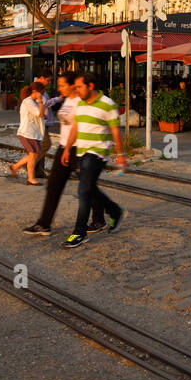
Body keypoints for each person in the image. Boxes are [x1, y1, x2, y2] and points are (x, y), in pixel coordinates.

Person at [60, 72, 126, 249]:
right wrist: (67, 149)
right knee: (89, 189)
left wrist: (121, 154)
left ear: (90, 86)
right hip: (81, 152)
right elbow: (75, 127)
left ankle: (79, 232)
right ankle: (115, 211)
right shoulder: (81, 103)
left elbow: (115, 131)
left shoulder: (108, 105)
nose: (77, 90)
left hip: (97, 153)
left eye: (79, 87)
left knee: (83, 191)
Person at [22, 72, 93, 236]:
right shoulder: (67, 99)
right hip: (65, 147)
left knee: (88, 188)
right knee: (53, 186)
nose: (59, 88)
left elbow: (78, 126)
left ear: (72, 85)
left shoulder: (80, 101)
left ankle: (103, 216)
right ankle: (44, 224)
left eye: (62, 85)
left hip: (78, 149)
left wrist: (69, 148)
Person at [8, 84, 45, 185]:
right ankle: (30, 178)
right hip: (27, 132)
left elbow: (39, 114)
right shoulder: (28, 101)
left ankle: (15, 167)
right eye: (41, 92)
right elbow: (39, 113)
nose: (42, 94)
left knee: (35, 154)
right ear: (34, 91)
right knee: (34, 154)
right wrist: (41, 101)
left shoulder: (32, 102)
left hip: (32, 133)